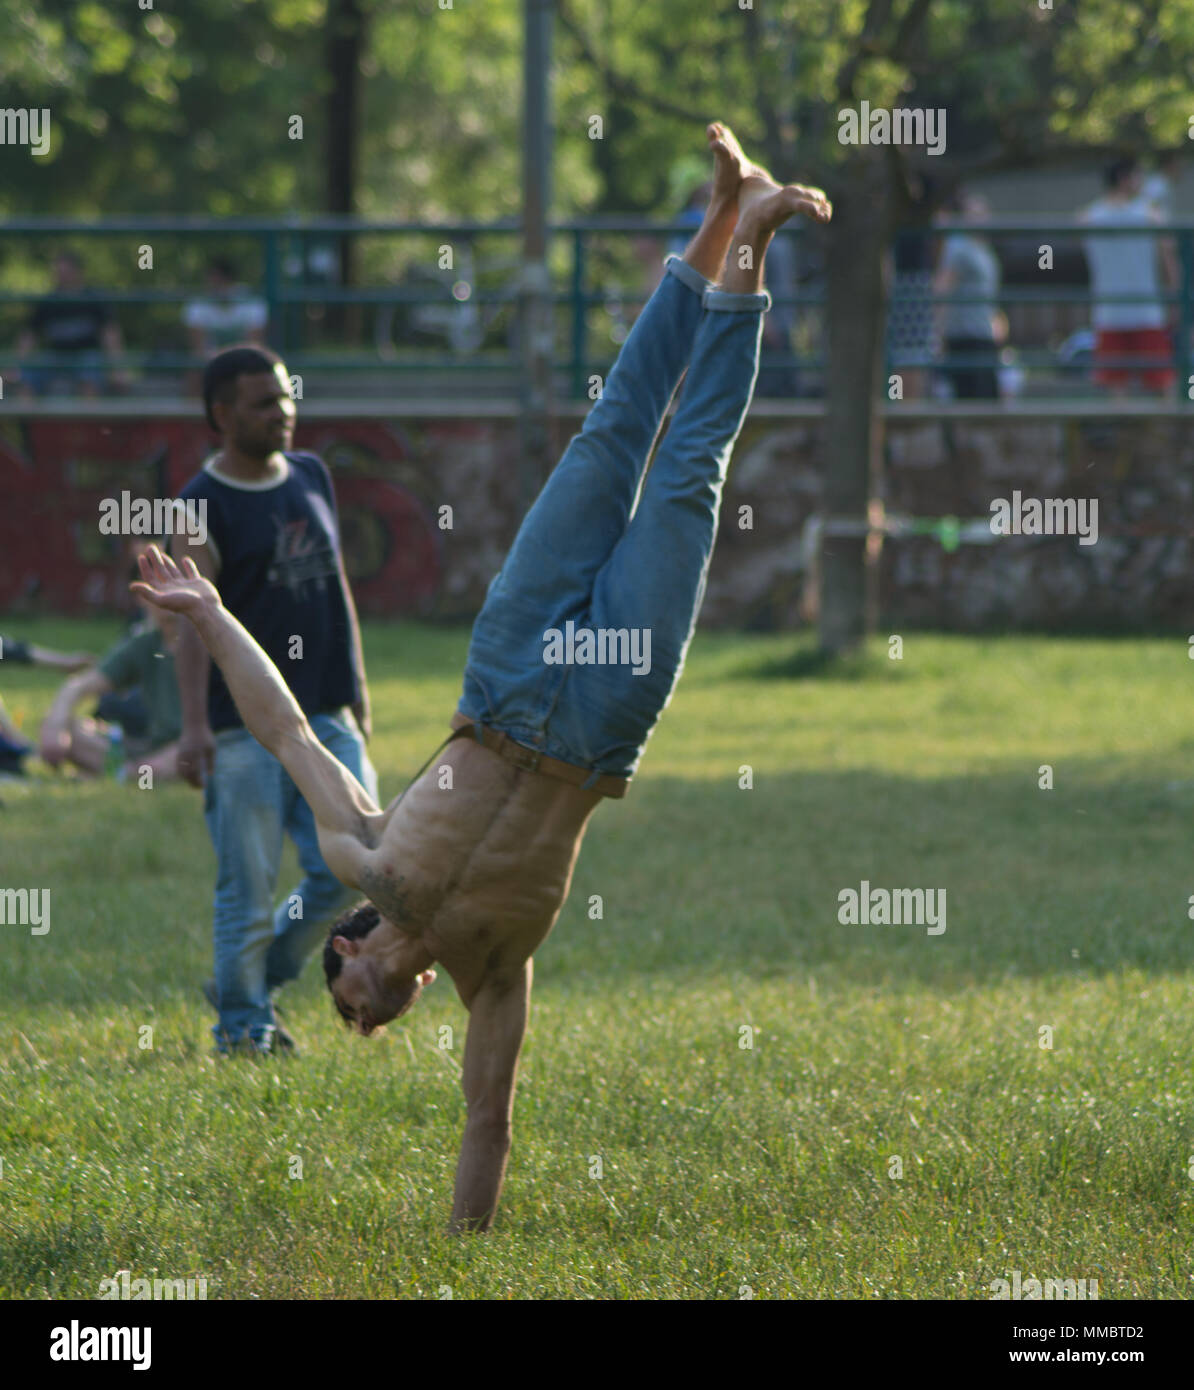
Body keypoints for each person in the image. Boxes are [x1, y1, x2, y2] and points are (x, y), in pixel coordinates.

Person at [132, 123, 831, 1231]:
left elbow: (289, 735)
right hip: (601, 721)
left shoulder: (362, 847)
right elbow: (488, 1125)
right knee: (687, 473)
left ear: (349, 950)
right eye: (365, 1020)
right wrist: (463, 1260)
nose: (366, 1022)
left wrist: (214, 616)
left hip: (505, 672)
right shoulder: (493, 973)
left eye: (350, 1004)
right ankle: (749, 242)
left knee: (611, 435)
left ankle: (719, 211)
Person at [173, 344, 376, 1057]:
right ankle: (243, 1025)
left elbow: (337, 583)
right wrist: (195, 725)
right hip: (241, 729)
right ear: (222, 414)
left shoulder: (313, 473)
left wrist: (358, 695)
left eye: (288, 396)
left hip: (327, 713)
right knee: (247, 888)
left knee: (352, 869)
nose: (284, 412)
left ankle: (257, 977)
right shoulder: (200, 504)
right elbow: (191, 625)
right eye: (264, 402)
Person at [37, 604, 182, 783]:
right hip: (149, 744)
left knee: (155, 768)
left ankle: (127, 775)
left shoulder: (209, 642)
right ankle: (127, 774)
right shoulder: (147, 642)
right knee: (64, 729)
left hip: (193, 747)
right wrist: (56, 726)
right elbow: (78, 686)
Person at [1081, 156, 1179, 395]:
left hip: (1108, 313)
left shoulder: (1088, 218)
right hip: (1146, 311)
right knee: (1163, 383)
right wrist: (1175, 294)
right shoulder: (1150, 215)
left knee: (1117, 386)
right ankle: (1169, 431)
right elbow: (1168, 257)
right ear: (1126, 179)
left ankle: (1123, 431)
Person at [17, 251, 126, 397]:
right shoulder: (48, 301)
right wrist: (16, 365)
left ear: (77, 272)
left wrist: (117, 368)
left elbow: (110, 334)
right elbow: (29, 335)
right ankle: (24, 419)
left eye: (65, 272)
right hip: (55, 355)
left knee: (90, 377)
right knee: (27, 380)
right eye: (58, 272)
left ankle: (89, 418)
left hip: (86, 355)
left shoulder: (94, 298)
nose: (61, 276)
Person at [934, 190, 1003, 399]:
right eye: (973, 213)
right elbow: (942, 288)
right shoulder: (959, 248)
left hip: (985, 336)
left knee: (988, 401)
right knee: (968, 402)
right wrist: (938, 333)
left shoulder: (986, 251)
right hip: (964, 337)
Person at [183, 258, 268, 359]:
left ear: (229, 279)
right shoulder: (198, 304)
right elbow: (198, 348)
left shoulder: (251, 301)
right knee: (194, 369)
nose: (212, 283)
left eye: (218, 279)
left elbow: (254, 344)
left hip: (243, 360)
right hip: (209, 361)